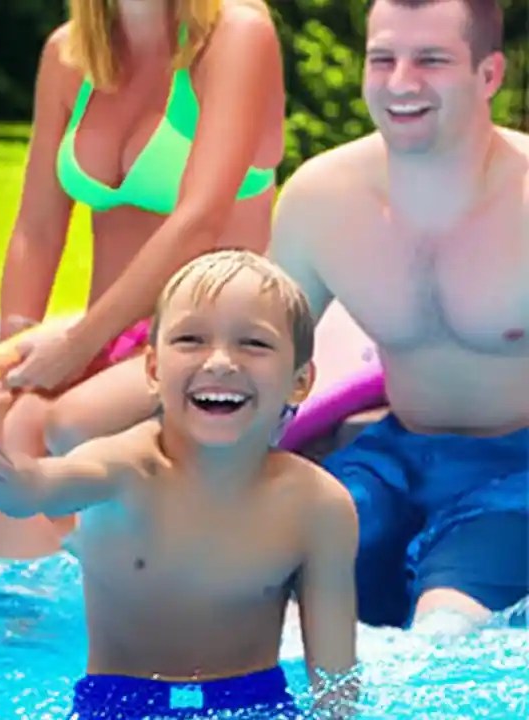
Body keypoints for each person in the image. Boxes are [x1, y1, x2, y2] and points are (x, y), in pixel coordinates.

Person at [0, 250, 359, 718]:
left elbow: (337, 690)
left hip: (255, 708)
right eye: (191, 339)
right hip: (120, 707)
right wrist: (11, 481)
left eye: (253, 343)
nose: (220, 362)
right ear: (153, 370)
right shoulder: (124, 468)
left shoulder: (317, 507)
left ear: (299, 381)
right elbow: (47, 485)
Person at [0, 0, 288, 558]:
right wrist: (10, 357)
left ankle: (131, 607)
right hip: (114, 344)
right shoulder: (69, 55)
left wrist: (77, 344)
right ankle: (24, 631)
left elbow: (199, 222)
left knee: (73, 424)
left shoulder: (236, 37)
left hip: (215, 340)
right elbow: (37, 229)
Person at [270, 0, 527, 630]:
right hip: (394, 458)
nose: (401, 82)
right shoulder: (322, 198)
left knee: (445, 634)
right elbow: (250, 358)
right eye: (382, 58)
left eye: (431, 60)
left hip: (519, 470)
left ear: (488, 75)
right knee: (279, 600)